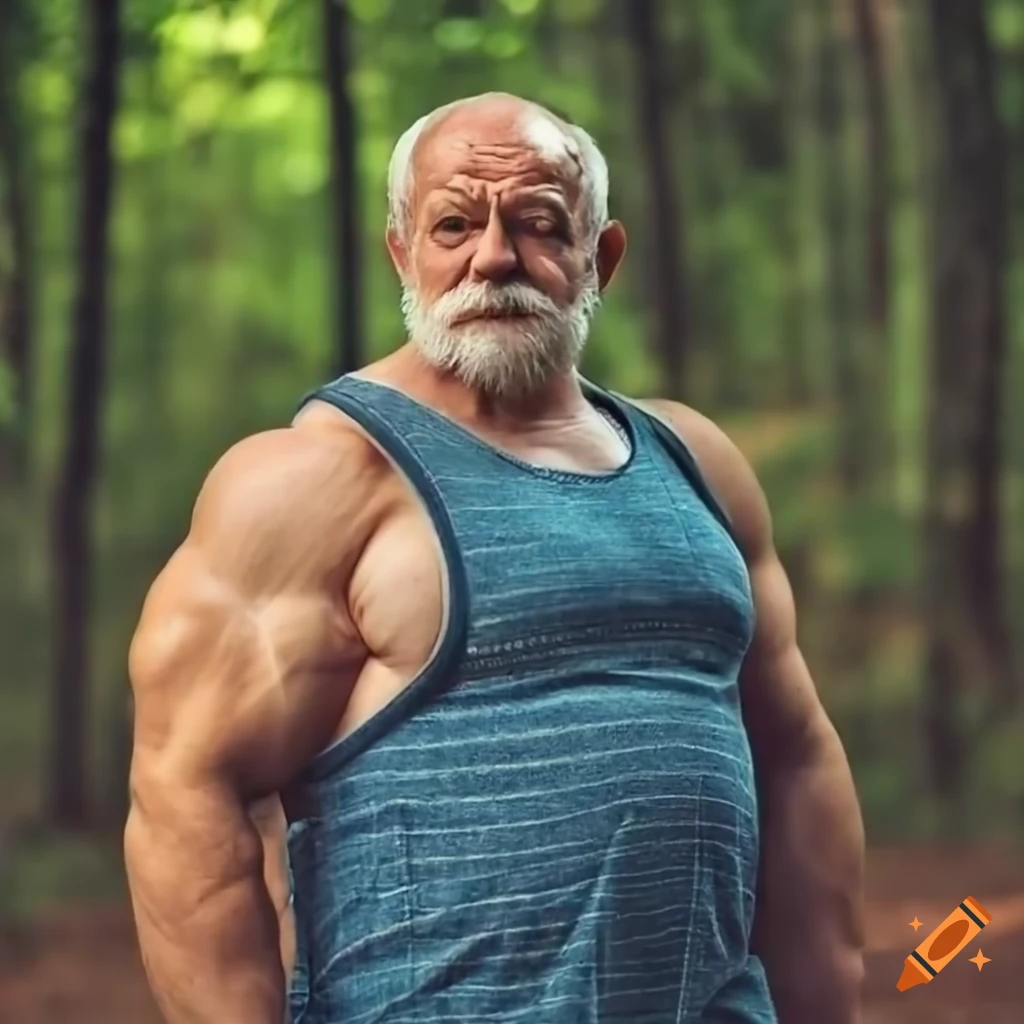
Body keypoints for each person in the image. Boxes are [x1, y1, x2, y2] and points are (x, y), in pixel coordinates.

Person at [124, 92, 865, 1024]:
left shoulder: (699, 466)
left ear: (603, 256)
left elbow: (795, 758)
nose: (494, 258)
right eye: (454, 224)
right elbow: (184, 792)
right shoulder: (315, 481)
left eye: (539, 224)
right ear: (402, 251)